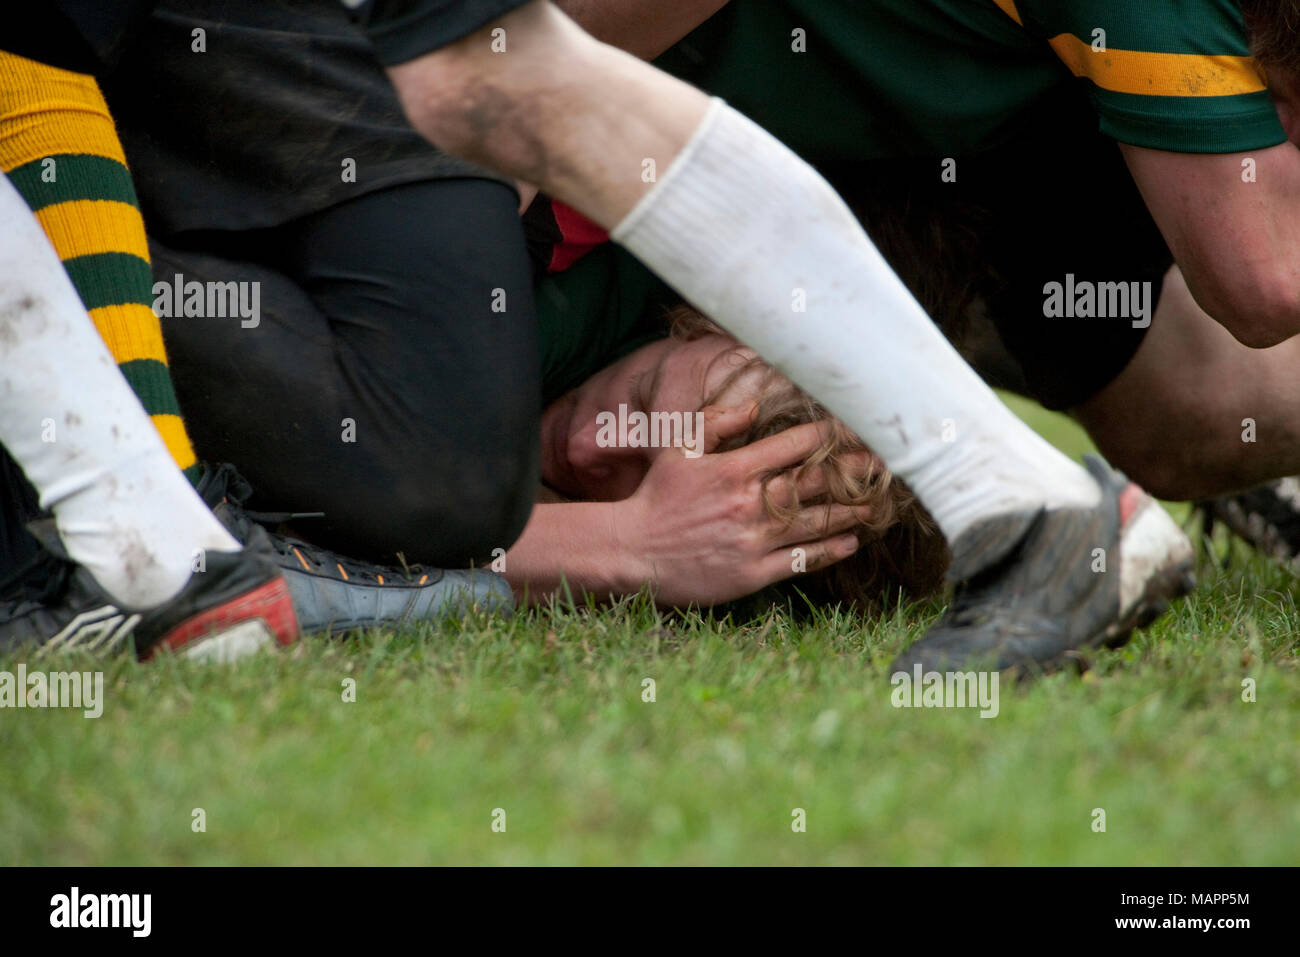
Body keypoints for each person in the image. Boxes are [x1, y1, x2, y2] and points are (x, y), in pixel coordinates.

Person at [14, 0, 1200, 675]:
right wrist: (610, 542)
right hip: (208, 105)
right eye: (698, 418)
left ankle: (1018, 497)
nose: (612, 446)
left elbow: (294, 576)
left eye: (656, 470)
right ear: (702, 314)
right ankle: (1014, 490)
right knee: (485, 75)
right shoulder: (587, 285)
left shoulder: (418, 455)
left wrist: (616, 546)